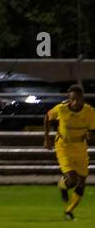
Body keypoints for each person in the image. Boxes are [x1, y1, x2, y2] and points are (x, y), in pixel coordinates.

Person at [44, 84, 94, 220]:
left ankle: (69, 212)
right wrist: (47, 139)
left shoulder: (89, 111)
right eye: (73, 99)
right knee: (72, 180)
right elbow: (47, 118)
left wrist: (91, 135)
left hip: (80, 147)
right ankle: (62, 185)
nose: (76, 102)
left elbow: (92, 130)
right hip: (63, 146)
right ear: (69, 99)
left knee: (82, 181)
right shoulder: (61, 109)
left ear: (82, 98)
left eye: (78, 99)